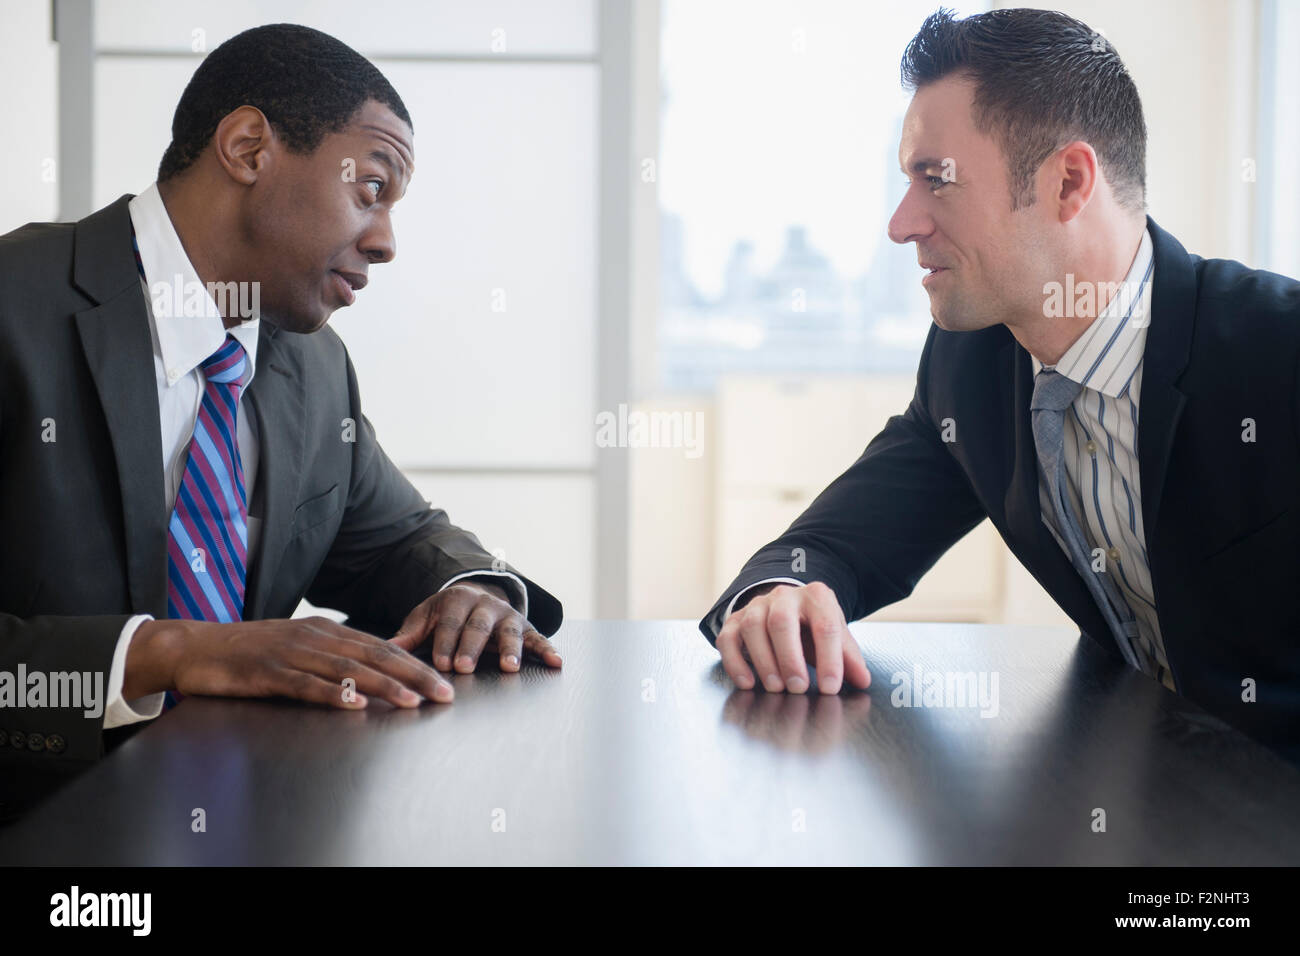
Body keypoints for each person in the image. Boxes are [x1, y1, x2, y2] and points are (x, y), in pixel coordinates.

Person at [700, 8, 1300, 765]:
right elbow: (831, 547)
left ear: (1069, 182)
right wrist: (778, 600)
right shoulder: (973, 365)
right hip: (1132, 795)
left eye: (936, 181)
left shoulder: (1278, 355)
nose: (900, 223)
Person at [0, 24, 563, 813]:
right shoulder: (14, 305)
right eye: (371, 188)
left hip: (250, 818)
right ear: (248, 148)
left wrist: (467, 587)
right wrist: (166, 653)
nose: (387, 242)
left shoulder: (311, 364)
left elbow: (395, 539)